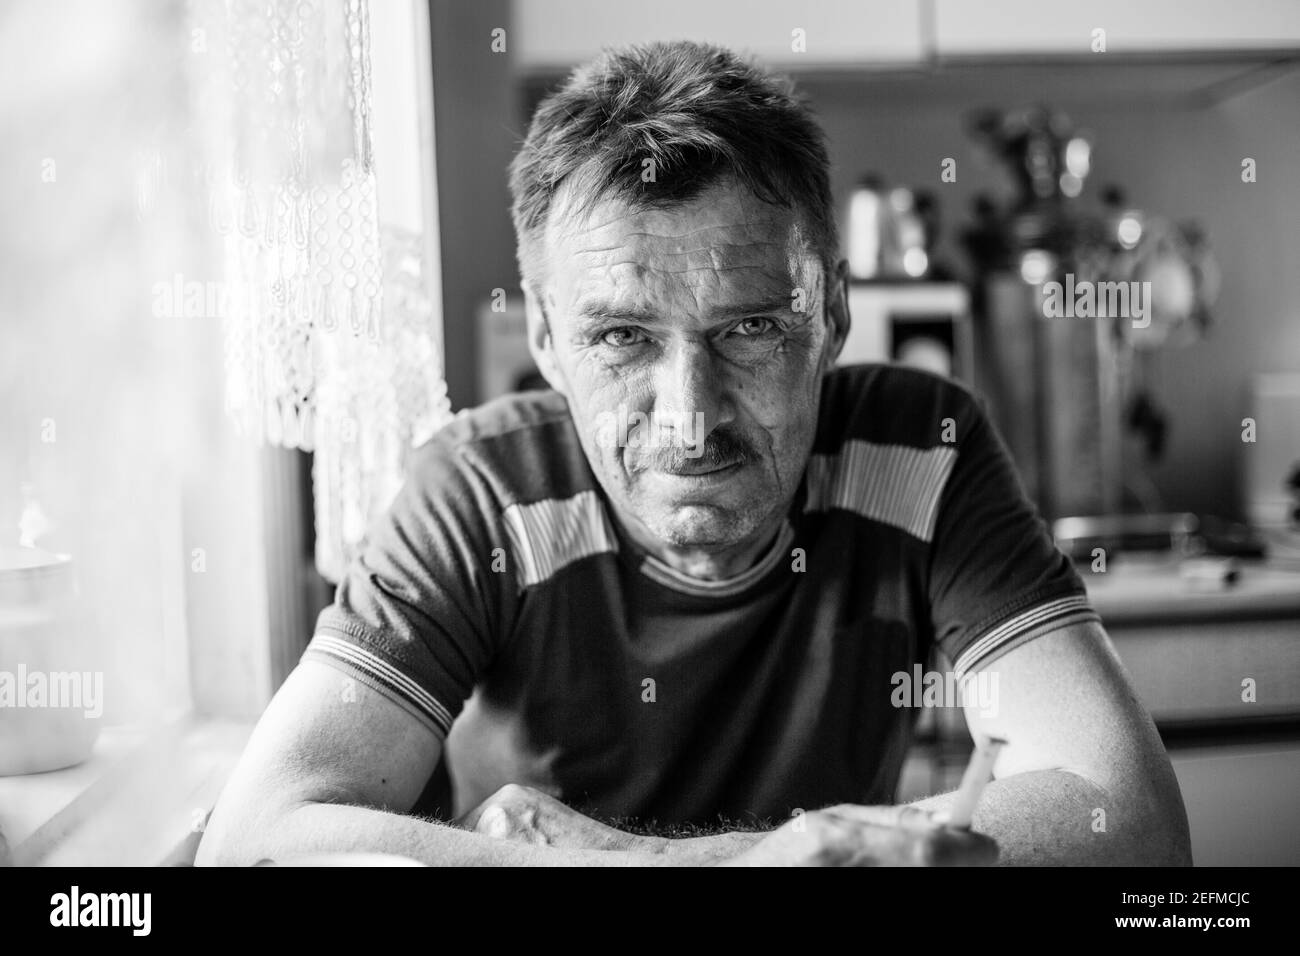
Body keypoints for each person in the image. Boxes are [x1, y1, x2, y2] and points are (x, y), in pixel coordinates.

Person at [197, 41, 1191, 866]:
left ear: (832, 312)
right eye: (622, 337)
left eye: (749, 328)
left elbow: (1134, 820)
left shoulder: (920, 446)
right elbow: (253, 839)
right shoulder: (478, 492)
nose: (689, 419)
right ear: (545, 338)